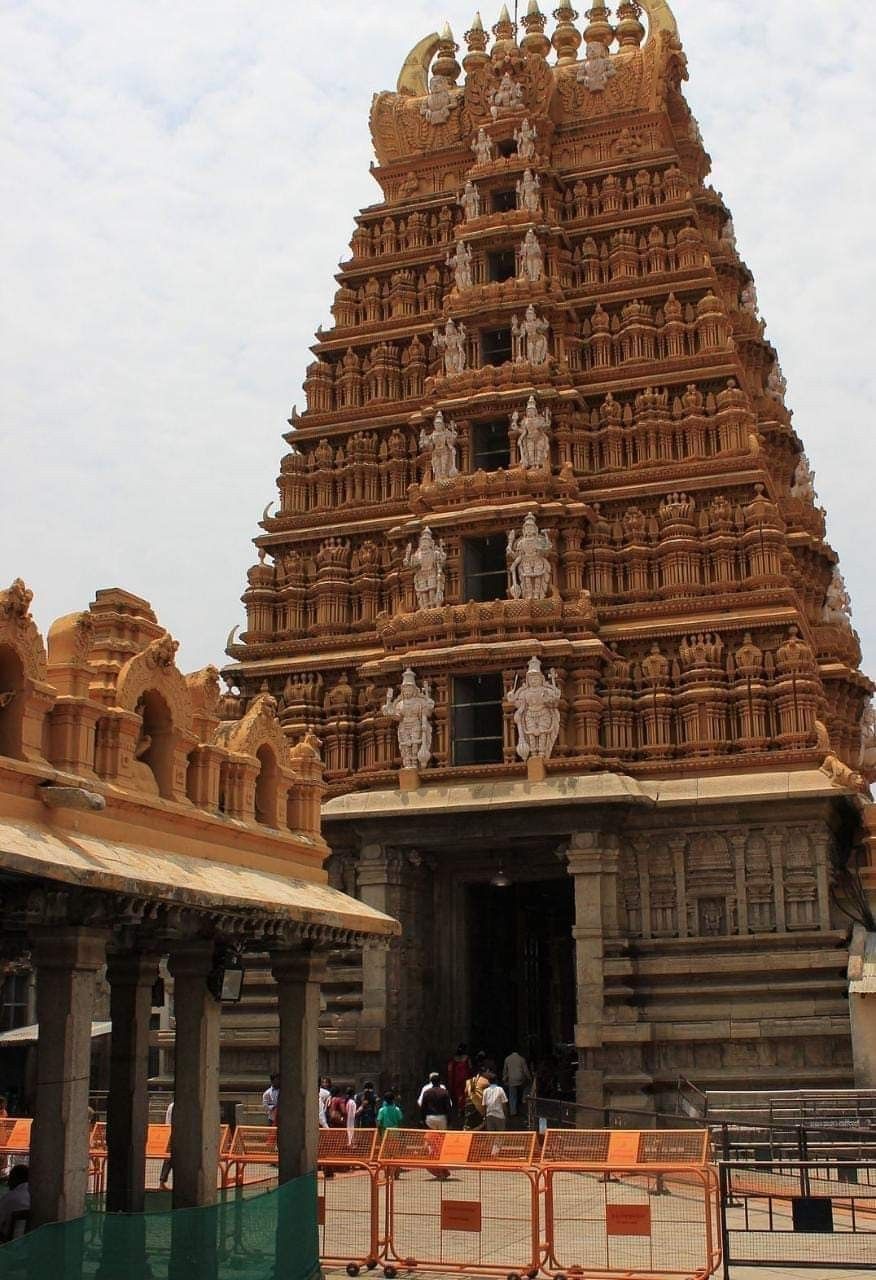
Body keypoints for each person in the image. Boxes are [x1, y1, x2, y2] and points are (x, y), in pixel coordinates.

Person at [0, 1166, 29, 1242]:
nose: (8, 1182)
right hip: (27, 1242)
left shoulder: (10, 1197)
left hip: (8, 1243)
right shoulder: (34, 1195)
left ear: (16, 1179)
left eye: (10, 1178)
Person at [502, 1049, 532, 1118]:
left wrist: (504, 1078)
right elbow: (525, 1070)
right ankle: (522, 1107)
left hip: (511, 1080)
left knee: (512, 1096)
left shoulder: (507, 1059)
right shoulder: (522, 1059)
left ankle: (513, 1112)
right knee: (522, 1093)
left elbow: (505, 1070)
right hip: (520, 1080)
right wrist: (529, 1077)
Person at [446, 1044, 471, 1122]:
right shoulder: (467, 1058)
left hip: (456, 1079)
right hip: (465, 1079)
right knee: (465, 1094)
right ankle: (464, 1109)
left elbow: (449, 1069)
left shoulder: (454, 1059)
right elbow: (470, 1068)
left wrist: (450, 1080)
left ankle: (460, 1109)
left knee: (459, 1095)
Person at [464, 1061, 490, 1131]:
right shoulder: (485, 1082)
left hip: (469, 1106)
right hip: (480, 1108)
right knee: (481, 1126)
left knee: (469, 1125)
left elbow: (465, 1092)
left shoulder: (468, 1082)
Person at [159, 1098, 174, 1191]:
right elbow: (168, 1122)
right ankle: (162, 1181)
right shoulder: (173, 1106)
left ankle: (162, 1181)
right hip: (172, 1134)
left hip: (174, 1133)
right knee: (168, 1159)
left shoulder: (171, 1106)